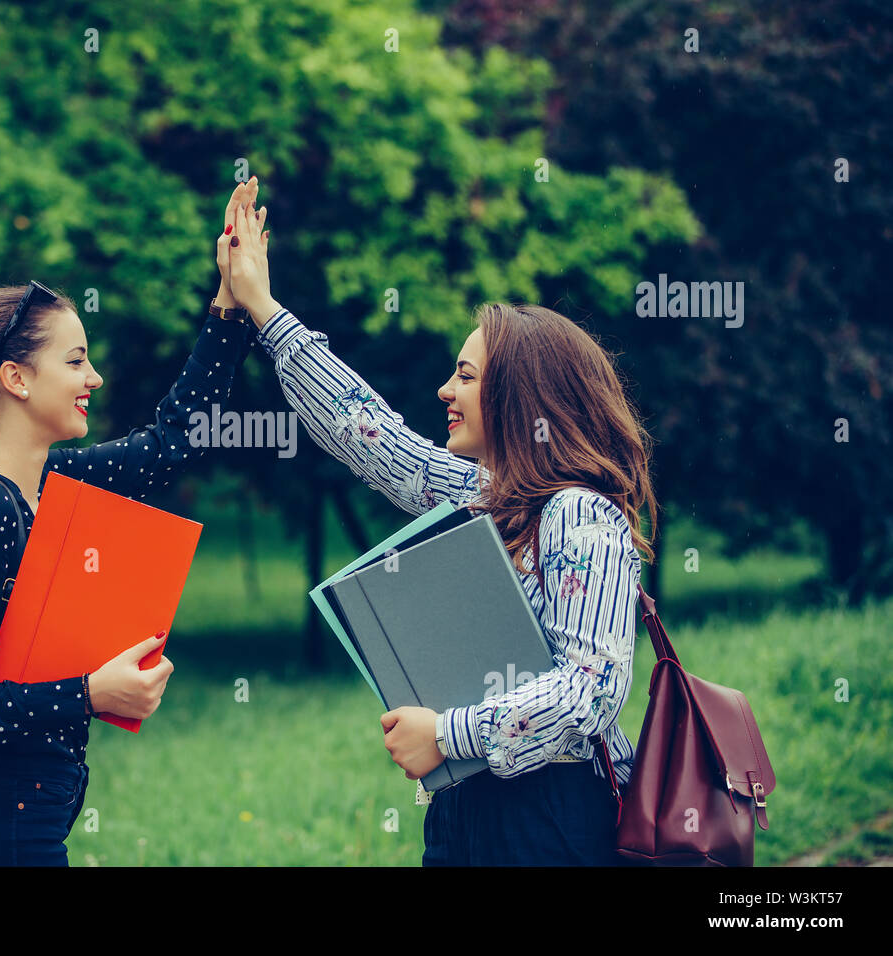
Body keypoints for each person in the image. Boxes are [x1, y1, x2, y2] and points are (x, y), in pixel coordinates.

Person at [0, 178, 266, 865]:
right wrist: (91, 694)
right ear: (16, 378)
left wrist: (231, 306)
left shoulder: (45, 486)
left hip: (13, 818)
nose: (94, 377)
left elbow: (172, 443)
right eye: (75, 360)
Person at [224, 179, 658, 866]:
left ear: (521, 395)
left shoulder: (579, 513)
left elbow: (593, 690)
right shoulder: (489, 496)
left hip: (550, 817)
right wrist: (263, 308)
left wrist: (449, 735)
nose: (445, 390)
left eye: (466, 376)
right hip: (465, 808)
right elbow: (371, 435)